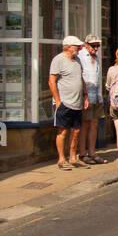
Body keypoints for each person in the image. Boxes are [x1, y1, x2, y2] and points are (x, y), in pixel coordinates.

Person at [48, 36, 89, 169]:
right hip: (64, 102)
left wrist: (85, 95)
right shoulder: (58, 60)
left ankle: (73, 157)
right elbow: (52, 81)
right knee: (63, 131)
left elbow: (80, 78)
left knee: (76, 131)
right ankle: (61, 159)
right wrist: (58, 101)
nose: (80, 48)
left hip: (77, 101)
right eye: (77, 46)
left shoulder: (77, 60)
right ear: (69, 47)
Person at [77, 34, 107, 164]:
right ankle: (83, 153)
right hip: (86, 95)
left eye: (97, 46)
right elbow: (80, 76)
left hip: (96, 95)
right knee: (85, 124)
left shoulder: (96, 57)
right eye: (93, 45)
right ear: (86, 45)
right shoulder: (81, 56)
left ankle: (92, 152)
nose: (96, 48)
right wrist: (84, 95)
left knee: (94, 123)